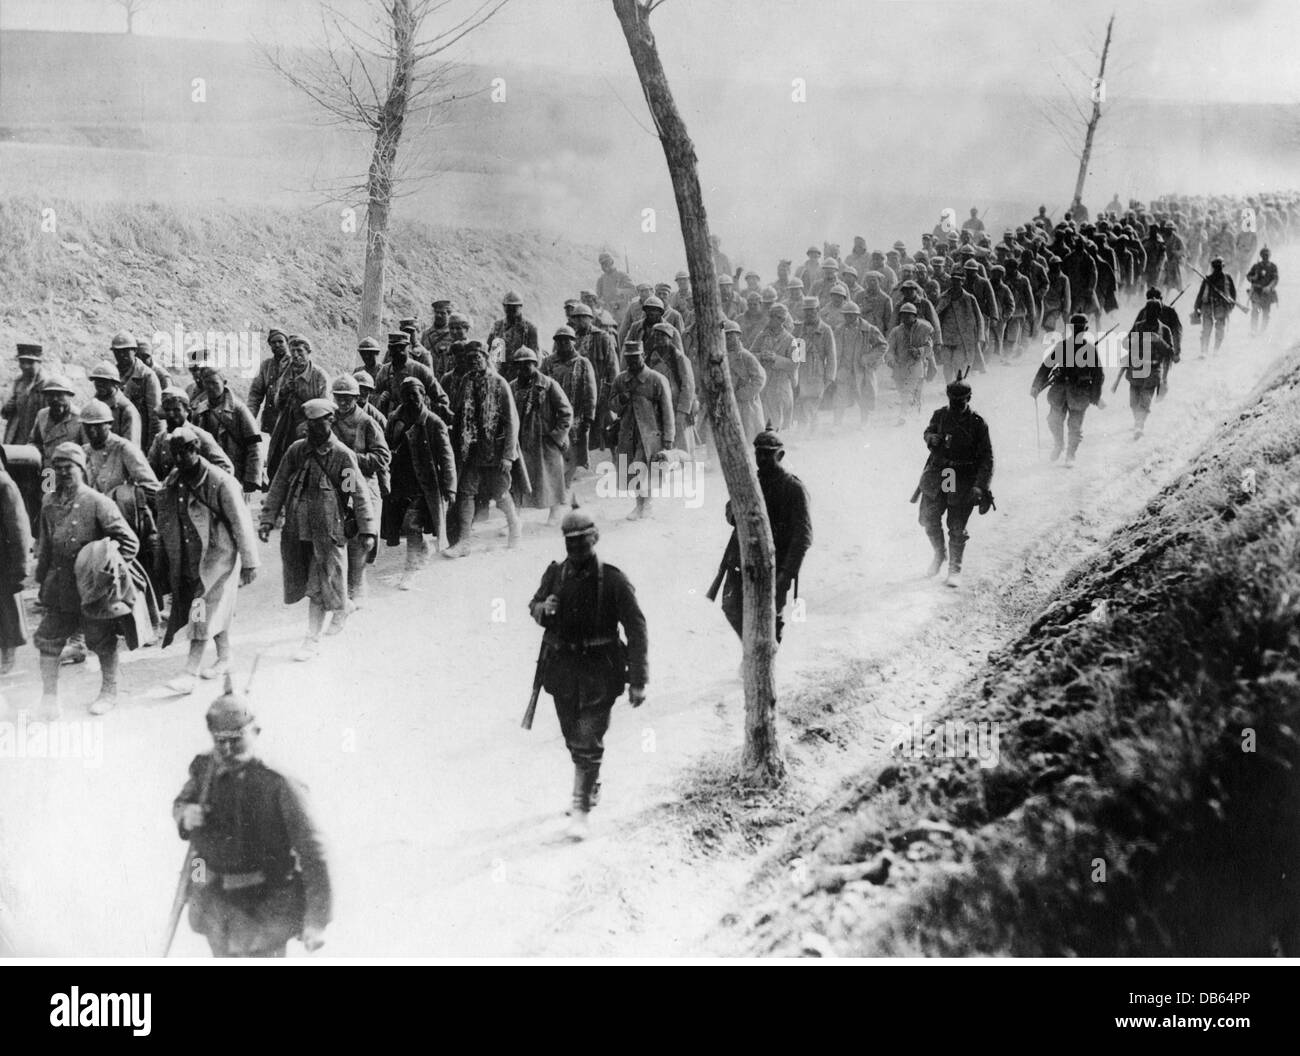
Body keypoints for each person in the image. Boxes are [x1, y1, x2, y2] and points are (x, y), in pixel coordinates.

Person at [172, 681, 331, 957]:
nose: (228, 749)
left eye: (236, 739)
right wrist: (185, 815)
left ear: (255, 732)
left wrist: (316, 920)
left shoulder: (278, 783)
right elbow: (181, 803)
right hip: (213, 897)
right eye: (220, 741)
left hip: (264, 903)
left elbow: (313, 851)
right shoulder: (204, 768)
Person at [528, 502, 647, 840]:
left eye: (582, 541)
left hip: (601, 670)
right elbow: (533, 606)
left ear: (595, 538)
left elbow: (636, 628)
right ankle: (589, 781)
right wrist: (543, 609)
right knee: (571, 737)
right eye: (570, 542)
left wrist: (638, 679)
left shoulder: (613, 580)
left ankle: (581, 808)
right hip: (563, 669)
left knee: (588, 739)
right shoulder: (555, 575)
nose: (576, 549)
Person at [259, 399, 377, 659]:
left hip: (328, 531)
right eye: (309, 424)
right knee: (318, 581)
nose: (311, 429)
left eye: (318, 423)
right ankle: (343, 605)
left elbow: (354, 492)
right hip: (298, 530)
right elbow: (278, 485)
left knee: (318, 583)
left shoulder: (341, 455)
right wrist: (268, 518)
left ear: (330, 421)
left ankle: (311, 640)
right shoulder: (297, 451)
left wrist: (365, 529)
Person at [32, 442, 139, 717]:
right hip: (59, 586)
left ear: (81, 468)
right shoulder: (49, 502)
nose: (64, 473)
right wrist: (42, 580)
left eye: (69, 467)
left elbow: (129, 542)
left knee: (100, 640)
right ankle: (49, 698)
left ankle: (109, 691)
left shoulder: (98, 502)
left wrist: (106, 572)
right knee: (48, 639)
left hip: (92, 589)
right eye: (58, 468)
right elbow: (45, 546)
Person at [156, 426, 259, 693]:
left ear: (196, 450)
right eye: (174, 454)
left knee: (201, 609)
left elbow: (241, 522)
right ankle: (225, 657)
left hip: (220, 555)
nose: (178, 460)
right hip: (193, 556)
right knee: (213, 608)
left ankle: (189, 672)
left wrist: (250, 562)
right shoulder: (176, 478)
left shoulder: (220, 482)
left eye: (184, 453)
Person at [714, 426, 812, 642]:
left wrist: (786, 574)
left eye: (768, 453)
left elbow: (803, 536)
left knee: (770, 614)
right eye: (758, 453)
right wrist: (736, 514)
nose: (762, 458)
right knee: (731, 606)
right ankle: (751, 651)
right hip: (743, 557)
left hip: (775, 562)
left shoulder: (793, 488)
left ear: (781, 455)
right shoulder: (750, 480)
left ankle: (767, 657)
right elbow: (731, 507)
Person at [913, 373, 994, 588]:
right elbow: (928, 431)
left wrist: (980, 486)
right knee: (929, 520)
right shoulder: (940, 416)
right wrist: (931, 438)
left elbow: (987, 458)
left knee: (957, 526)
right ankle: (939, 555)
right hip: (939, 475)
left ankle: (955, 569)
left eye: (960, 400)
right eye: (952, 400)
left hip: (963, 478)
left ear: (969, 398)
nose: (956, 404)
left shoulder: (977, 424)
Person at [443, 341, 522, 558]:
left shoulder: (499, 383)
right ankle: (465, 541)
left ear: (485, 358)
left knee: (500, 493)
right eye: (470, 358)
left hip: (495, 450)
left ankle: (514, 529)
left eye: (478, 357)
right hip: (471, 451)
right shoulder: (466, 381)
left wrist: (508, 456)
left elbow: (511, 422)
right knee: (466, 493)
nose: (474, 361)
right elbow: (459, 414)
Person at [383, 377, 456, 586]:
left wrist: (450, 487)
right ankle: (423, 548)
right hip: (401, 481)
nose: (411, 400)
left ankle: (410, 569)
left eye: (415, 394)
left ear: (424, 396)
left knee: (412, 524)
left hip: (425, 484)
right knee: (405, 526)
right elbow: (387, 446)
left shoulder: (433, 422)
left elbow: (446, 456)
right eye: (406, 395)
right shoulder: (394, 419)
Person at [329, 374, 390, 605]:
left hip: (364, 483)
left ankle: (357, 583)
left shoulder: (367, 422)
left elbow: (383, 457)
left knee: (364, 537)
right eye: (339, 398)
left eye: (348, 398)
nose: (343, 402)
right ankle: (341, 586)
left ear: (356, 397)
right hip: (338, 483)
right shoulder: (330, 419)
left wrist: (353, 457)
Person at [608, 342, 675, 521]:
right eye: (628, 358)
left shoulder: (657, 379)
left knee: (648, 467)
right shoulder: (620, 380)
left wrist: (669, 437)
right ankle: (638, 504)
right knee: (632, 468)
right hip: (628, 432)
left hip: (651, 434)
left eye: (635, 357)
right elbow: (611, 404)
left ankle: (648, 504)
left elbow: (667, 411)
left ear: (643, 356)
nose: (632, 361)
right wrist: (621, 399)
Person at [1031, 314, 1105, 466]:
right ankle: (1059, 444)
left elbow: (1098, 376)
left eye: (1081, 329)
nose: (1078, 331)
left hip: (1080, 393)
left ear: (1086, 330)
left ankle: (1070, 454)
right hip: (1060, 391)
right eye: (1075, 328)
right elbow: (1046, 366)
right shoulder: (1062, 346)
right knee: (1053, 421)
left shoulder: (1090, 350)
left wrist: (1095, 396)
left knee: (1075, 427)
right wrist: (1036, 386)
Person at [510, 347, 573, 524]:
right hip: (521, 440)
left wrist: (557, 436)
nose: (524, 368)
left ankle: (555, 512)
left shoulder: (549, 384)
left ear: (535, 364)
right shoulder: (512, 386)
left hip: (545, 440)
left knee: (552, 477)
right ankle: (515, 517)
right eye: (520, 365)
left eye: (528, 364)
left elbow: (566, 411)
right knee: (518, 479)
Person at [541, 325, 597, 497]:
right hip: (553, 416)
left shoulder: (583, 363)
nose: (563, 343)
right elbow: (540, 385)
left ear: (573, 342)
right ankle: (558, 489)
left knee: (572, 455)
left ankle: (565, 488)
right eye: (560, 340)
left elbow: (590, 392)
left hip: (576, 417)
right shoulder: (549, 362)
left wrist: (588, 418)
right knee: (554, 454)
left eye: (567, 340)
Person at [265, 335, 330, 481]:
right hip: (287, 423)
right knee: (278, 458)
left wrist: (309, 423)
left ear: (308, 352)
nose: (296, 355)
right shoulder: (287, 372)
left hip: (311, 425)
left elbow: (326, 407)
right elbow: (276, 403)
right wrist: (283, 392)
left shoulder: (320, 376)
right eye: (293, 351)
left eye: (300, 351)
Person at [191, 367, 262, 496]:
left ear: (224, 383)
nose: (211, 387)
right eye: (207, 383)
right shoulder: (200, 411)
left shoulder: (239, 410)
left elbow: (254, 445)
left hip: (236, 471)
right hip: (208, 472)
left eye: (215, 383)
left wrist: (251, 479)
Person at [149, 386, 235, 480]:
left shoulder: (199, 436)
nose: (171, 414)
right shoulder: (160, 439)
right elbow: (150, 470)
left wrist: (203, 488)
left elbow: (226, 468)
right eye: (167, 410)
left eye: (176, 410)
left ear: (187, 411)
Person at [1118, 307, 1174, 440]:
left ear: (1158, 314)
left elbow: (1170, 352)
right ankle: (1138, 421)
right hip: (1136, 368)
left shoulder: (1164, 330)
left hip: (1153, 369)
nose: (1150, 316)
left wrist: (1158, 341)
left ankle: (1139, 424)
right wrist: (1135, 341)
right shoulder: (1138, 327)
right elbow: (1125, 343)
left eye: (1153, 314)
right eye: (1149, 313)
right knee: (1133, 402)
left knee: (1145, 398)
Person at [0, 447, 31, 676]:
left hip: (3, 559)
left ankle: (8, 654)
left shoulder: (4, 484)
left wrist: (21, 566)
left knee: (7, 608)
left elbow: (19, 527)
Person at [884, 302, 937, 425]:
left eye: (909, 315)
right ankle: (914, 410)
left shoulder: (924, 329)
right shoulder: (896, 331)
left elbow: (929, 348)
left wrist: (919, 351)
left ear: (915, 316)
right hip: (900, 365)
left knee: (908, 391)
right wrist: (890, 360)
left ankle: (904, 415)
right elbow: (890, 349)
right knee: (903, 390)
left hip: (917, 365)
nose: (906, 318)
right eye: (903, 315)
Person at [111, 331, 163, 452]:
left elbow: (156, 417)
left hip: (140, 440)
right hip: (115, 438)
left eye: (125, 351)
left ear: (134, 351)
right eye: (117, 352)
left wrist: (152, 449)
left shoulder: (147, 376)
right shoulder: (111, 374)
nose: (121, 355)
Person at [791, 297, 836, 433]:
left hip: (817, 372)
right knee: (804, 401)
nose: (809, 314)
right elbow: (794, 353)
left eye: (812, 311)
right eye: (806, 311)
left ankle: (801, 432)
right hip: (801, 371)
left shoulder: (826, 330)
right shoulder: (798, 329)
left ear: (818, 310)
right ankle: (814, 430)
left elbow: (831, 356)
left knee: (811, 400)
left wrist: (829, 377)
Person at [751, 305, 798, 430]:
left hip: (782, 385)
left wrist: (776, 358)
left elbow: (795, 364)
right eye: (770, 316)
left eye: (773, 317)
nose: (770, 320)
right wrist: (761, 356)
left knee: (782, 423)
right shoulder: (762, 336)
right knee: (766, 421)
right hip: (765, 385)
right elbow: (750, 356)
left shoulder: (791, 339)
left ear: (781, 320)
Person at [29, 376, 84, 465]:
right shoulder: (42, 415)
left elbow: (87, 450)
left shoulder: (80, 418)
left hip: (69, 470)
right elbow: (34, 442)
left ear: (70, 395)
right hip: (47, 470)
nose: (55, 399)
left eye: (59, 395)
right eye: (50, 395)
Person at [490, 291, 540, 383]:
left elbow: (535, 357)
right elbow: (494, 355)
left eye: (514, 307)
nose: (510, 310)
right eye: (508, 307)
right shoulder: (498, 326)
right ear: (504, 307)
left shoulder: (529, 328)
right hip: (501, 374)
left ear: (521, 307)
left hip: (522, 373)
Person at [3, 343, 48, 446]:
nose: (25, 366)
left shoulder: (46, 384)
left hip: (36, 438)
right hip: (16, 436)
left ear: (39, 362)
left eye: (30, 362)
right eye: (22, 362)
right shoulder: (19, 382)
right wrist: (7, 408)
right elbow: (7, 412)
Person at [247, 329, 290, 436]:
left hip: (289, 419)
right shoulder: (266, 366)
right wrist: (248, 420)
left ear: (287, 343)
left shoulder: (294, 364)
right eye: (273, 343)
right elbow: (255, 395)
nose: (277, 345)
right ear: (270, 345)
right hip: (270, 420)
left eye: (280, 342)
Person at [1193, 256, 1238, 356]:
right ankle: (1204, 351)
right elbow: (1201, 294)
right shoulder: (1208, 279)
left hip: (1221, 306)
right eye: (1216, 267)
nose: (1218, 269)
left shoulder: (1227, 278)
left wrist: (1231, 306)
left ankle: (1216, 350)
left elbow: (1233, 293)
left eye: (1219, 267)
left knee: (1219, 329)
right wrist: (1196, 308)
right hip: (1208, 305)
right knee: (1206, 329)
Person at [1246, 247, 1279, 335]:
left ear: (1269, 256)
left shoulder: (1272, 267)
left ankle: (1262, 331)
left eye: (1267, 255)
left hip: (1267, 293)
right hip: (1256, 291)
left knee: (1266, 313)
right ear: (1261, 256)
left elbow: (1275, 279)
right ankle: (1253, 329)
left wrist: (1269, 287)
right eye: (1264, 255)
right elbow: (1248, 276)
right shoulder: (1256, 266)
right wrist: (1253, 277)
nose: (1265, 257)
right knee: (1255, 310)